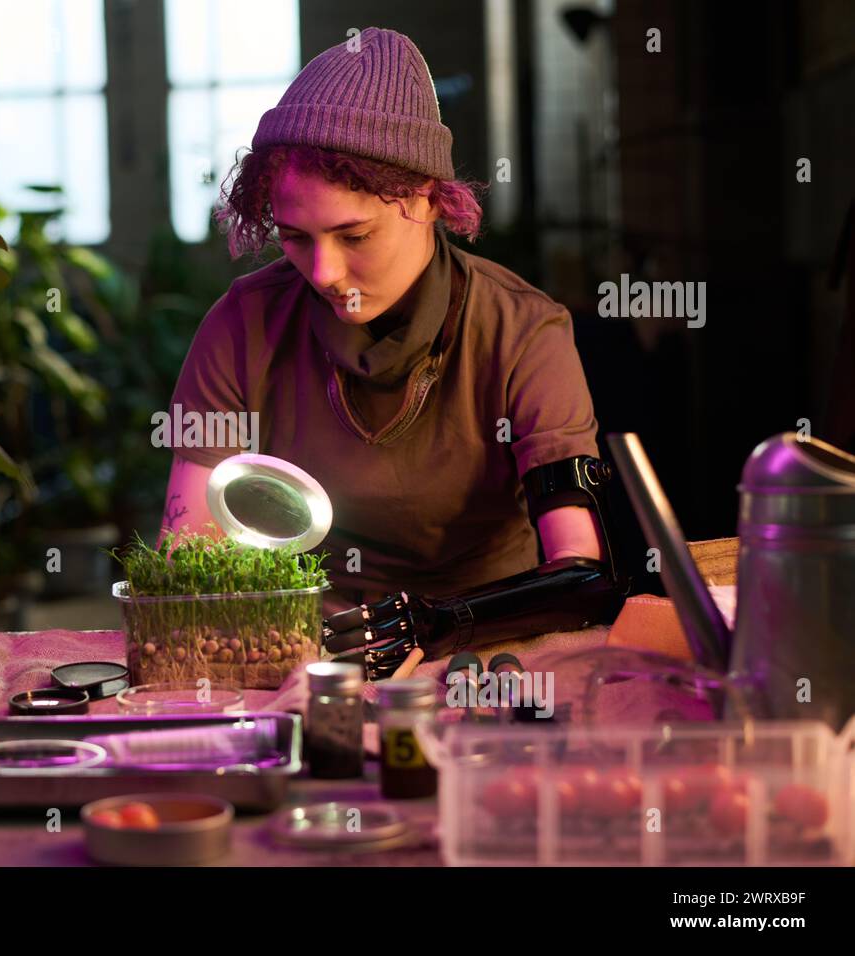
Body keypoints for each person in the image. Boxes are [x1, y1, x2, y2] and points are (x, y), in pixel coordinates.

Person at [160, 27, 605, 617]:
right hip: (307, 639)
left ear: (427, 199)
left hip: (495, 641)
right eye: (295, 238)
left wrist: (435, 630)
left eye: (355, 235)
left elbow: (578, 568)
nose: (322, 271)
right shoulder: (241, 325)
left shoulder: (523, 331)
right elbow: (187, 556)